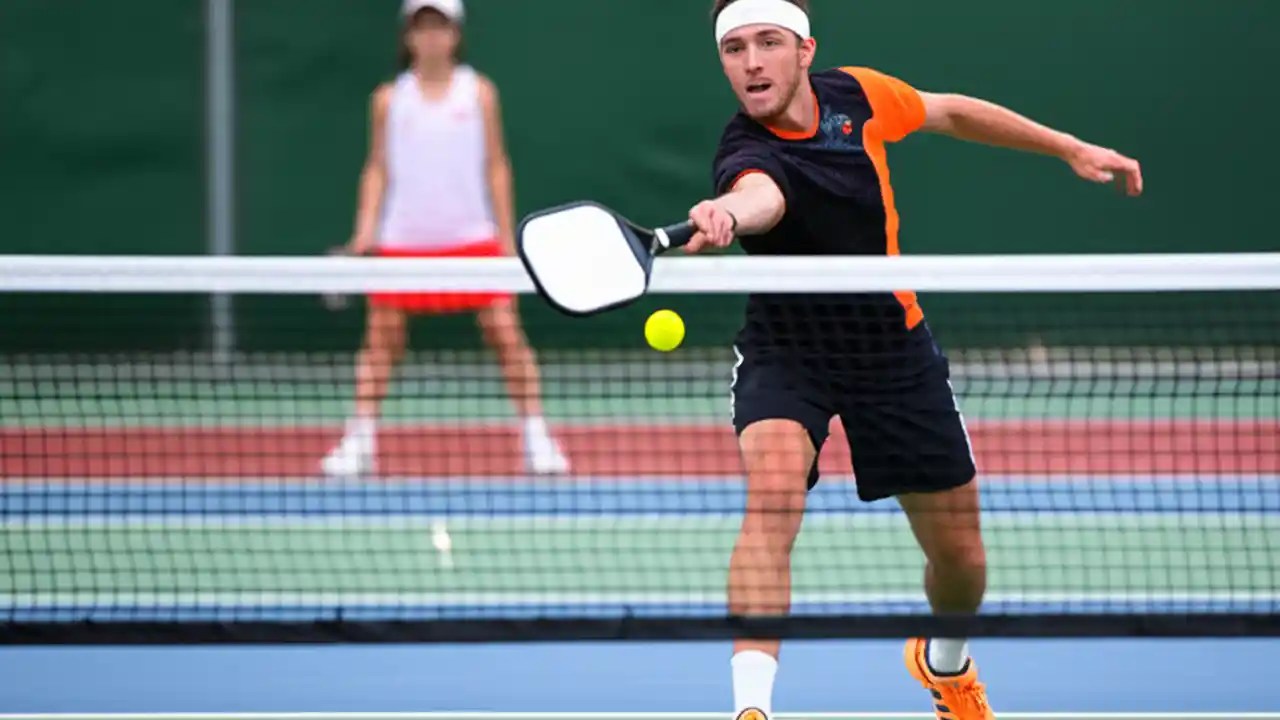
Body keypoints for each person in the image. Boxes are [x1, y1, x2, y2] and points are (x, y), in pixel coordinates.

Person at [684, 1, 1144, 719]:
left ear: (804, 50)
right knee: (771, 496)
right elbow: (760, 197)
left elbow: (949, 111)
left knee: (962, 563)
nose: (751, 62)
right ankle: (751, 709)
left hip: (890, 349)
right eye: (734, 48)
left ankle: (944, 664)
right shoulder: (743, 149)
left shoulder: (858, 97)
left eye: (767, 43)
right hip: (786, 351)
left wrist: (1064, 146)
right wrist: (728, 213)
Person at [322, 0, 569, 479]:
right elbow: (377, 167)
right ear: (408, 37)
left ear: (455, 35)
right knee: (380, 342)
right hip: (402, 240)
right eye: (422, 28)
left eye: (440, 28)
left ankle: (537, 437)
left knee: (505, 335)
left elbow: (496, 164)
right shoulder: (389, 100)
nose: (432, 37)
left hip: (471, 238)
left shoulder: (478, 94)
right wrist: (364, 232)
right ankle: (359, 441)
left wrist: (505, 236)